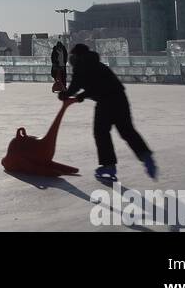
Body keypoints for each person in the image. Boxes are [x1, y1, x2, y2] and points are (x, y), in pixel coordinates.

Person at [58, 43, 156, 183]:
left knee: (101, 132)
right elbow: (96, 84)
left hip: (105, 101)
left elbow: (76, 85)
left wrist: (65, 94)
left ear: (77, 56)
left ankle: (109, 165)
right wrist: (82, 96)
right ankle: (146, 156)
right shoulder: (96, 63)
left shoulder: (81, 64)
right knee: (126, 130)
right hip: (120, 98)